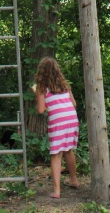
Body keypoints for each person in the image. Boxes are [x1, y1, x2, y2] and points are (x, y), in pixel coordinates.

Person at [34, 56, 79, 198]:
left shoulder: (41, 88)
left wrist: (38, 98)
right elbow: (74, 104)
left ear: (41, 72)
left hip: (58, 121)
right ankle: (74, 180)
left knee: (56, 154)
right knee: (68, 150)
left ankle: (57, 191)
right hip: (72, 119)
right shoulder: (65, 85)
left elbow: (41, 110)